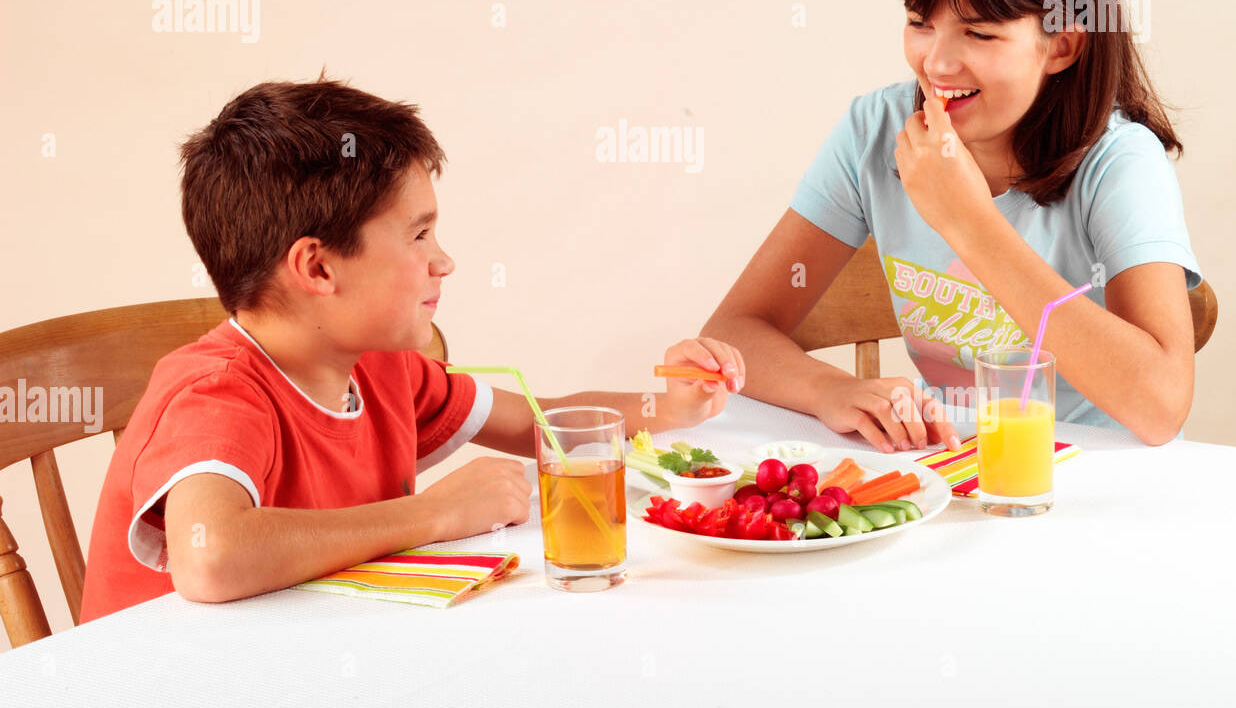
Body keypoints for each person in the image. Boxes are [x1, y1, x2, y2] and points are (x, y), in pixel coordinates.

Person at [80, 76, 745, 621]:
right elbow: (212, 554)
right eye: (418, 236)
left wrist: (674, 403)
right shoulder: (217, 393)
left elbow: (545, 421)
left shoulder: (379, 368)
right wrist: (436, 513)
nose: (445, 261)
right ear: (317, 269)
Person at [702, 0, 1201, 451]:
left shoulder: (1120, 162)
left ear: (1062, 45)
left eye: (980, 34)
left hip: (1099, 477)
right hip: (952, 466)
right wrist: (828, 390)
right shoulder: (875, 131)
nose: (936, 64)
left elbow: (1160, 406)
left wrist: (968, 221)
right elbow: (735, 330)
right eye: (920, 22)